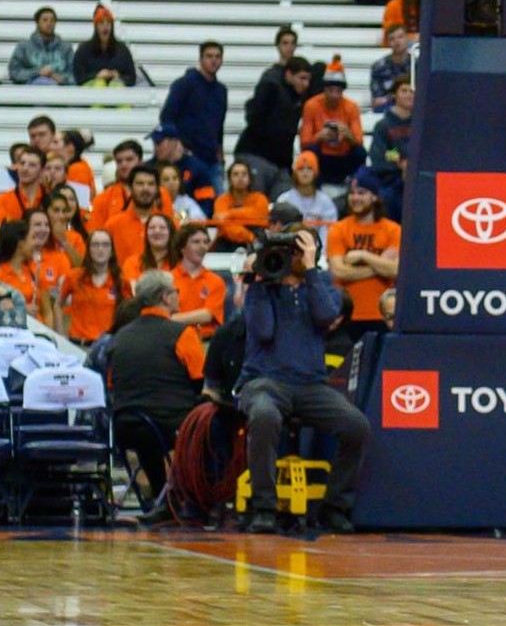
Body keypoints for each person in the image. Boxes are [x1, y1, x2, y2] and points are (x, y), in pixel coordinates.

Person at [237, 226, 368, 534]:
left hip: (310, 385)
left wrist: (309, 269)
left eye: (298, 251)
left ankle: (335, 506)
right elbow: (264, 331)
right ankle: (265, 506)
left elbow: (326, 317)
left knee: (357, 426)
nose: (290, 256)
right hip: (264, 381)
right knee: (264, 414)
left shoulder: (321, 284)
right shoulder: (263, 285)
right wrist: (258, 281)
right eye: (287, 251)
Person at [107, 270, 205, 509]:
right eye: (175, 292)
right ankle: (198, 497)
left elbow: (112, 384)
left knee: (147, 438)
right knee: (211, 418)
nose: (177, 296)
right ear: (165, 297)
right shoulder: (183, 334)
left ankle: (161, 496)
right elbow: (199, 381)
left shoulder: (120, 337)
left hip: (125, 425)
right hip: (169, 424)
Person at [326, 171, 400, 343]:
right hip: (345, 315)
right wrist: (379, 264)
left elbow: (396, 270)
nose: (355, 198)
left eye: (361, 192)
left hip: (381, 314)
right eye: (352, 193)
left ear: (374, 197)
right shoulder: (338, 229)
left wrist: (363, 255)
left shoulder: (393, 230)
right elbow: (339, 271)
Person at [161, 42, 227, 191]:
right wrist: (177, 146)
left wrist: (220, 157)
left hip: (211, 159)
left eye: (217, 56)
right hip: (188, 157)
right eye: (209, 56)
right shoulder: (184, 84)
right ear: (200, 59)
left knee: (217, 205)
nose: (213, 60)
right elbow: (166, 117)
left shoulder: (221, 90)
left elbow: (219, 126)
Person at [73, 6, 137, 88]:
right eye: (101, 23)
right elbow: (78, 78)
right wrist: (96, 76)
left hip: (116, 87)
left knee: (116, 86)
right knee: (99, 84)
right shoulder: (84, 49)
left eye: (108, 23)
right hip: (91, 90)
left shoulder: (122, 50)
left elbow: (132, 78)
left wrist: (117, 75)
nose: (105, 27)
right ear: (96, 27)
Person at [8, 6, 72, 86]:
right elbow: (15, 72)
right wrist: (38, 72)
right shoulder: (24, 46)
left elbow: (73, 74)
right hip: (32, 90)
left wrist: (62, 78)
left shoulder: (66, 48)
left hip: (60, 91)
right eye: (45, 20)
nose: (49, 24)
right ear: (37, 22)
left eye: (52, 21)